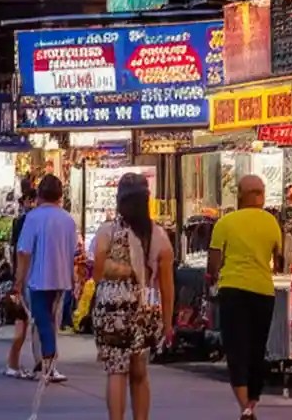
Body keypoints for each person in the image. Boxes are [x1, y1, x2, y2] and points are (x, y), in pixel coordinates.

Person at [92, 173, 174, 420]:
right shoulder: (159, 236)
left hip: (111, 308)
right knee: (139, 373)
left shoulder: (107, 231)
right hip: (145, 308)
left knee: (116, 371)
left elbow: (96, 273)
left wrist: (116, 274)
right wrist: (168, 323)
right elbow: (166, 285)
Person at [207, 174, 283, 419]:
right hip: (263, 291)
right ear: (259, 195)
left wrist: (215, 278)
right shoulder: (272, 223)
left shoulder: (225, 223)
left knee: (236, 348)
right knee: (257, 349)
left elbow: (213, 263)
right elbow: (279, 259)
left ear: (239, 194)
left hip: (233, 290)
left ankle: (244, 407)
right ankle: (252, 402)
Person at [15, 173, 77, 410]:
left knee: (40, 320)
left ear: (39, 194)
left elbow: (24, 252)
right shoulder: (68, 220)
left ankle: (46, 360)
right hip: (61, 279)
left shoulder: (33, 218)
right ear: (61, 195)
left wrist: (19, 279)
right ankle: (49, 362)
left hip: (38, 277)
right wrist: (72, 277)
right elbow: (72, 252)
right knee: (52, 320)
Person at [1, 187, 39, 379]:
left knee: (23, 324)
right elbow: (20, 251)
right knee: (24, 324)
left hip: (24, 277)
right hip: (29, 279)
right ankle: (14, 363)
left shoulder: (22, 221)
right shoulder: (28, 222)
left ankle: (13, 363)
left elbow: (16, 249)